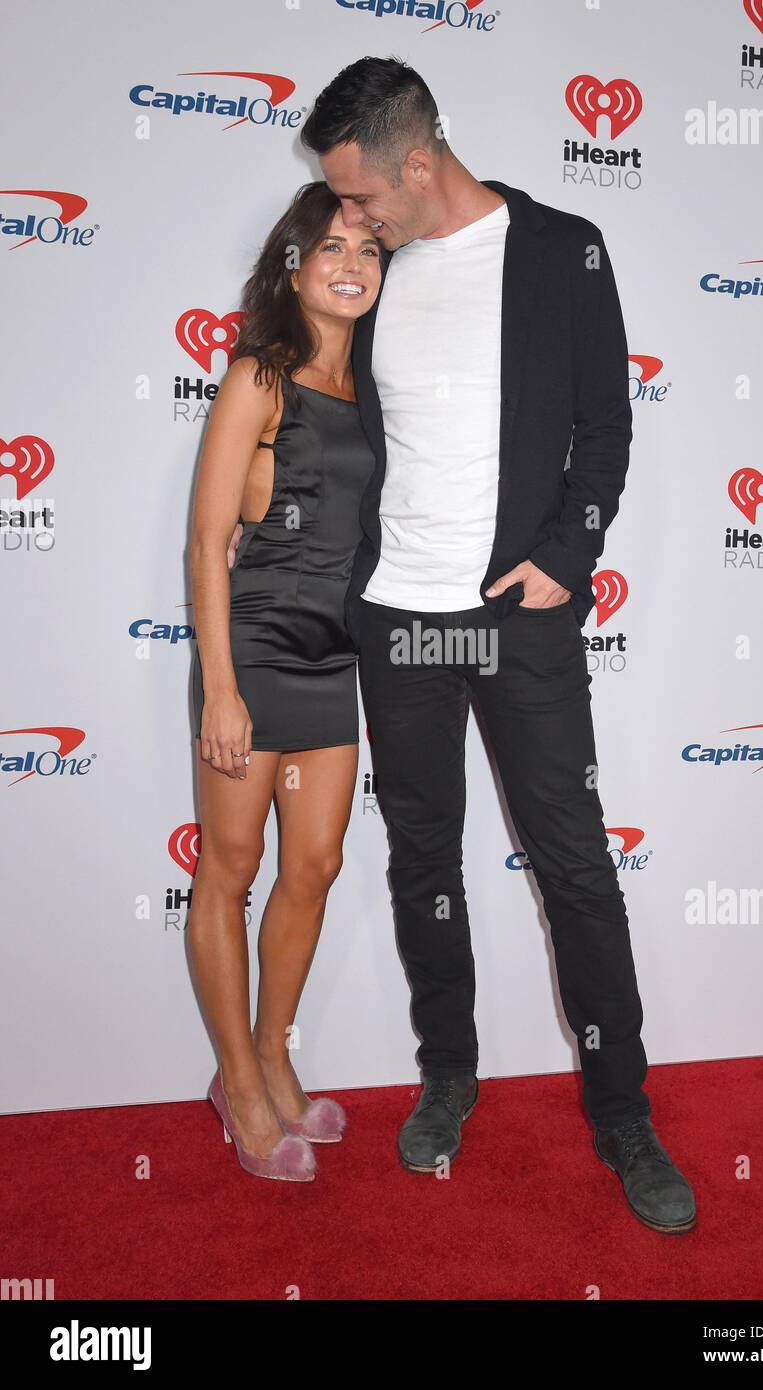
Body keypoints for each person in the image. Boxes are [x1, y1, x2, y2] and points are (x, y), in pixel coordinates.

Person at [292, 57, 697, 1232]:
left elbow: (604, 426)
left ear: (418, 164)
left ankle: (624, 1114)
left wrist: (567, 557)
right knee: (425, 862)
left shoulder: (563, 247)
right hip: (401, 618)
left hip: (518, 620)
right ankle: (449, 1073)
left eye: (365, 198)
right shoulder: (376, 275)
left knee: (573, 862)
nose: (353, 223)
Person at [188, 181, 381, 1181]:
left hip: (336, 659)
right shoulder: (260, 377)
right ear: (295, 263)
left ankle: (272, 1054)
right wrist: (222, 687)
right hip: (255, 652)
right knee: (228, 870)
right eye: (331, 247)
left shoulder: (378, 388)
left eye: (369, 249)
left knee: (313, 868)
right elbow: (208, 537)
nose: (351, 265)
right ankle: (236, 1078)